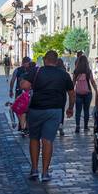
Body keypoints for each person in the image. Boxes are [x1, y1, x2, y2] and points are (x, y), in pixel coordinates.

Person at [26, 51, 74, 182]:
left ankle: (34, 169)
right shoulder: (63, 74)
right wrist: (70, 108)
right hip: (54, 110)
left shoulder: (36, 71)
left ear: (45, 59)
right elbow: (71, 93)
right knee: (47, 140)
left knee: (34, 138)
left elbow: (24, 85)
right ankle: (45, 172)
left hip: (36, 109)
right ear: (57, 60)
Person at [72, 52, 96, 133]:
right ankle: (85, 126)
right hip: (87, 93)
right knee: (86, 110)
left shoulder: (76, 71)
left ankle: (77, 126)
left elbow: (73, 82)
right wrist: (96, 90)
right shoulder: (88, 71)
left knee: (78, 111)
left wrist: (72, 92)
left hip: (78, 93)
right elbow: (92, 81)